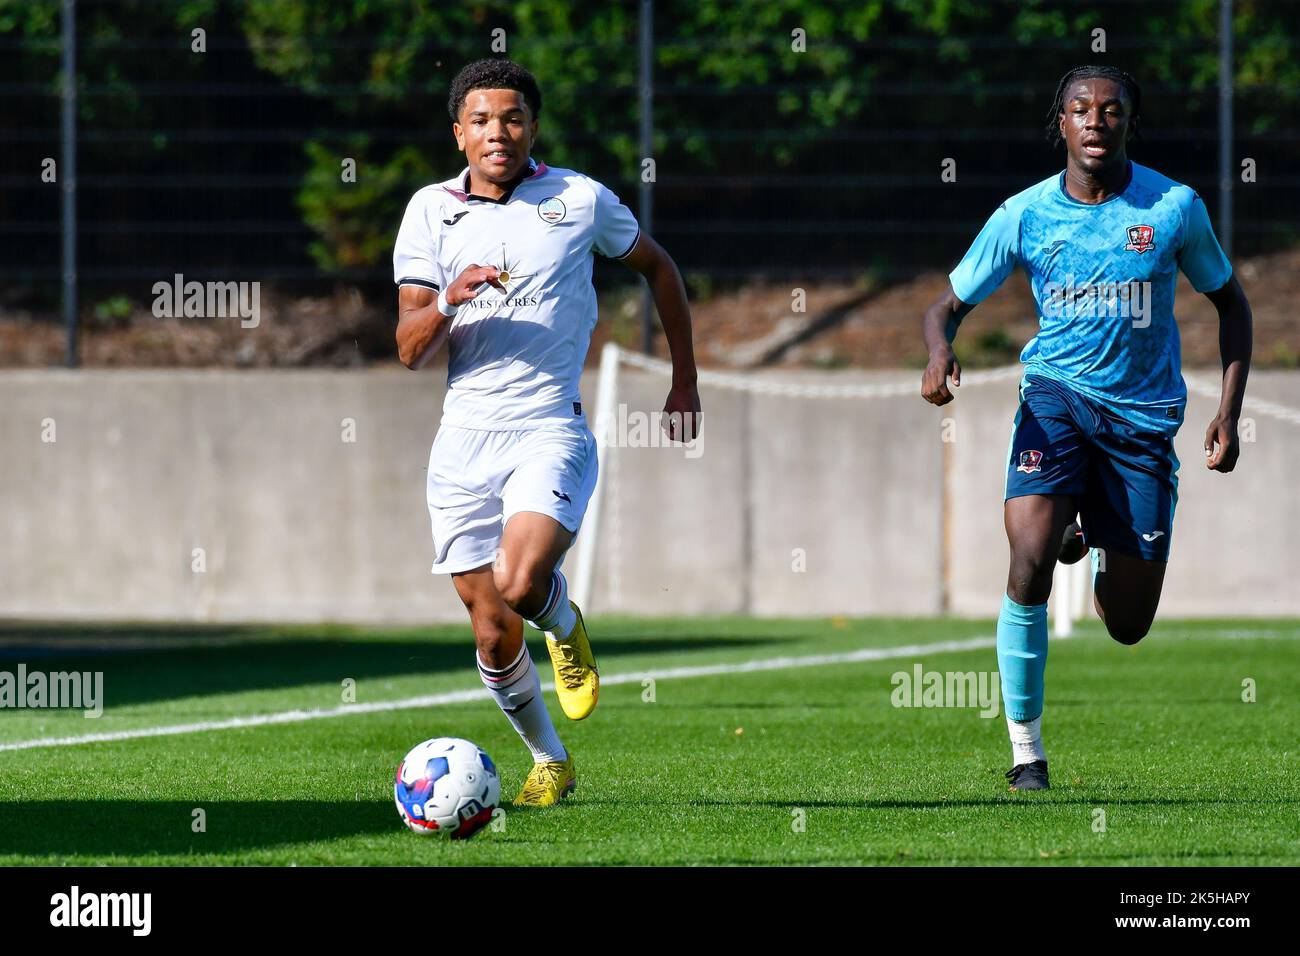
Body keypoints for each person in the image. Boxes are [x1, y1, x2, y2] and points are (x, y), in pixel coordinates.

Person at [919, 65, 1252, 791]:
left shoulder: (1173, 208)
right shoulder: (1025, 214)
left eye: (1111, 109)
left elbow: (1233, 306)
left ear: (1130, 121)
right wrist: (940, 351)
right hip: (1056, 400)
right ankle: (1025, 753)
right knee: (1029, 556)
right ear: (1061, 124)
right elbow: (944, 306)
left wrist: (1228, 411)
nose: (1095, 120)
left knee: (1127, 624)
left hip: (1141, 423)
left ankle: (1094, 539)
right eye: (1080, 109)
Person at [394, 58, 701, 806]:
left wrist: (683, 377)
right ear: (459, 132)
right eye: (481, 120)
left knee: (522, 581)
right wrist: (451, 300)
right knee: (492, 631)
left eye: (512, 117)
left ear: (532, 125)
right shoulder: (430, 210)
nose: (497, 132)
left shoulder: (579, 198)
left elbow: (658, 269)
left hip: (547, 428)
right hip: (462, 442)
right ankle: (550, 760)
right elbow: (407, 347)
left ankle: (563, 620)